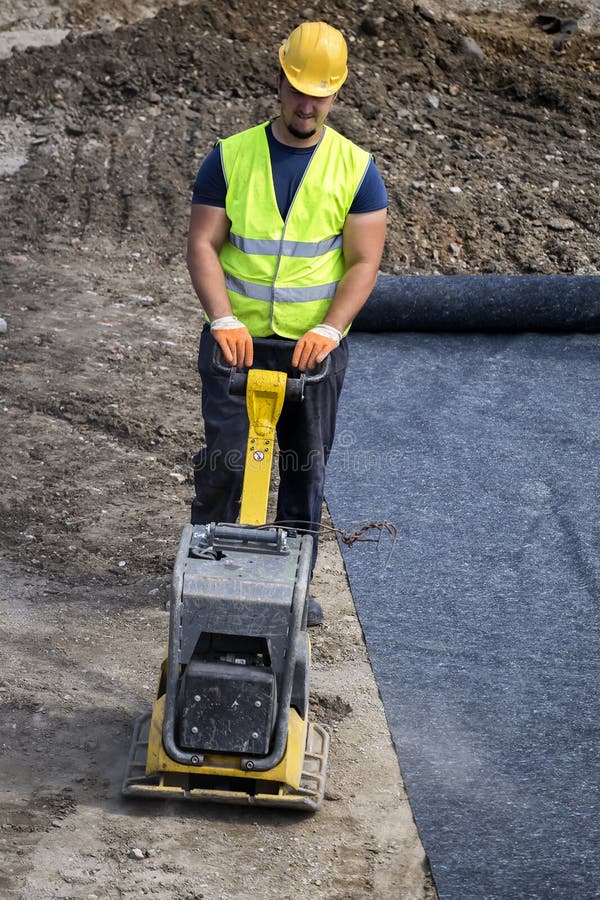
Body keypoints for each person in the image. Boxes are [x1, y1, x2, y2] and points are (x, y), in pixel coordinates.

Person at [186, 21, 388, 625]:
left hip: (312, 350)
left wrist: (329, 330)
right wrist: (222, 316)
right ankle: (206, 566)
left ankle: (293, 586)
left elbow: (364, 261)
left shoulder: (356, 169)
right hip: (236, 342)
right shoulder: (229, 157)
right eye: (299, 89)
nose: (307, 104)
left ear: (336, 94)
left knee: (304, 466)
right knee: (225, 460)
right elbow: (202, 243)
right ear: (278, 80)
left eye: (320, 93)